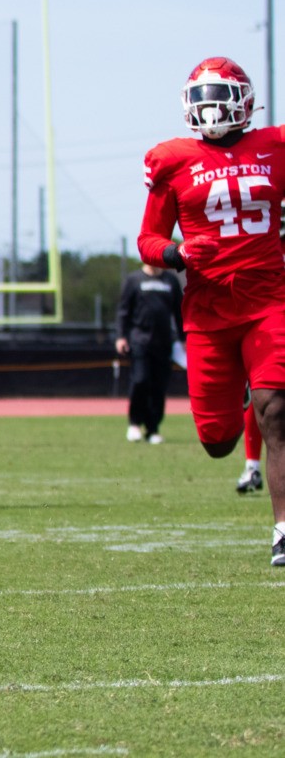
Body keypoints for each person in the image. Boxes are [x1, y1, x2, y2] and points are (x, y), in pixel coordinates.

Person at [137, 57, 285, 565]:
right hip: (208, 311)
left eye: (219, 93)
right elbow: (148, 239)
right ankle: (244, 389)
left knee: (276, 411)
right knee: (218, 440)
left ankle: (283, 530)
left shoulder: (275, 144)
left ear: (244, 98)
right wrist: (175, 253)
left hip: (270, 300)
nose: (209, 105)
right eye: (200, 96)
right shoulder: (172, 158)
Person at [113, 261, 183, 445]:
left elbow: (179, 312)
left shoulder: (171, 281)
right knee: (140, 380)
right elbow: (123, 311)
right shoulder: (133, 280)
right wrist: (121, 336)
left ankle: (153, 429)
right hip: (139, 340)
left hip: (164, 342)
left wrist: (184, 339)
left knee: (159, 386)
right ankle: (135, 423)